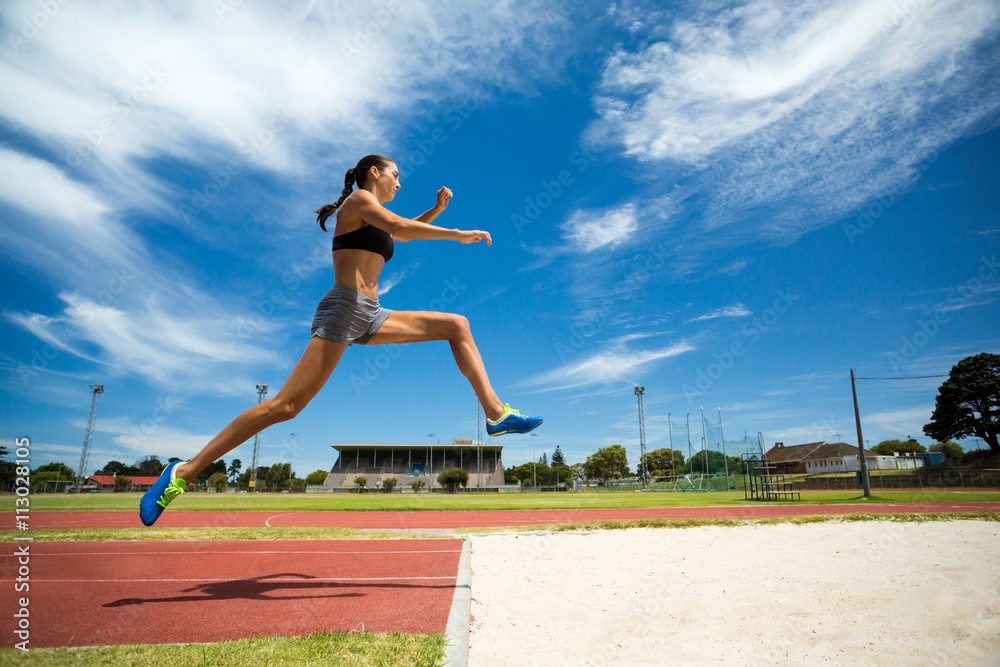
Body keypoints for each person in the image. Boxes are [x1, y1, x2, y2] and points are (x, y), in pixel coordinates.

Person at [140, 155, 542, 526]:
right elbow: (400, 228)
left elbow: (398, 233)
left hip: (371, 314)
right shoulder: (357, 202)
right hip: (344, 308)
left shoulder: (374, 212)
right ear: (374, 173)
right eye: (395, 175)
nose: (399, 183)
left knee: (458, 325)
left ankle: (495, 415)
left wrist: (435, 212)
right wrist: (456, 233)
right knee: (286, 406)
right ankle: (184, 471)